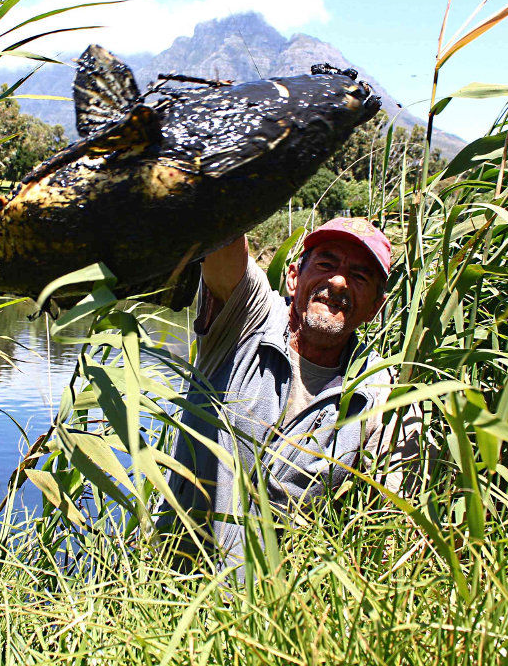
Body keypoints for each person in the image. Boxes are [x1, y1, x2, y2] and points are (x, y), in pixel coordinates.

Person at [158, 217, 421, 565]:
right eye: (327, 264)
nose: (339, 281)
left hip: (275, 604)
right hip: (167, 580)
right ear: (294, 277)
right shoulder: (246, 317)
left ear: (376, 307)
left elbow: (392, 528)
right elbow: (219, 226)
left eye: (360, 276)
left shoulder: (382, 396)